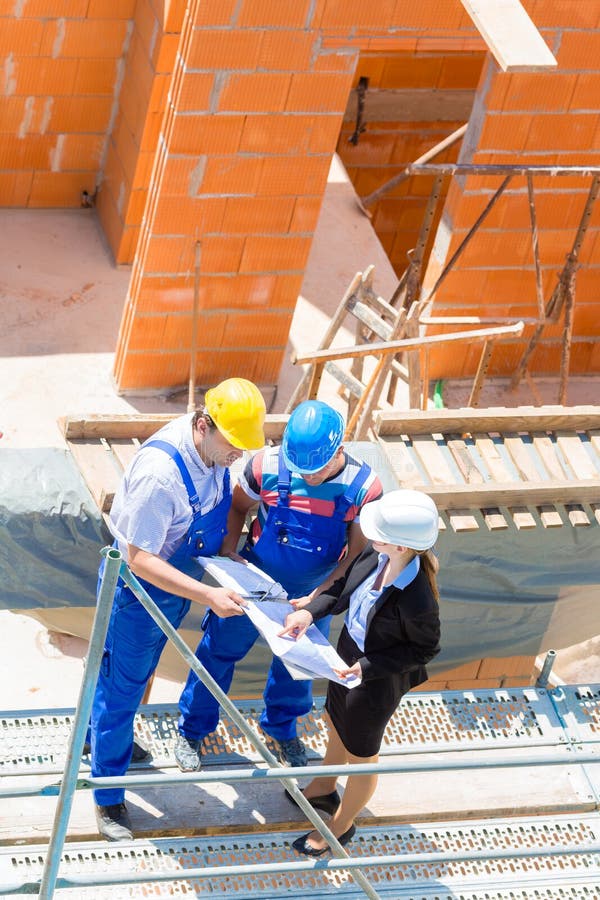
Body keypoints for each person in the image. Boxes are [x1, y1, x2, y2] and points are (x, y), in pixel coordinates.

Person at [90, 377, 266, 842]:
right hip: (139, 591)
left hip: (176, 582)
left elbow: (218, 505)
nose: (240, 456)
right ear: (204, 425)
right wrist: (207, 595)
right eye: (234, 445)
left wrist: (228, 553)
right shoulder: (159, 476)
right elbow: (139, 558)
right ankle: (107, 795)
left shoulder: (212, 451)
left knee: (141, 672)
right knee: (122, 684)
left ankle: (100, 740)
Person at [174, 400, 383, 771]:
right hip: (253, 584)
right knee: (217, 652)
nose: (307, 477)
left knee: (296, 669)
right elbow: (237, 507)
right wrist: (228, 554)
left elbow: (355, 556)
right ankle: (192, 728)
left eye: (315, 471)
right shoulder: (265, 466)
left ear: (340, 450)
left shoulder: (363, 488)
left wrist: (315, 602)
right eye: (300, 469)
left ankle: (282, 729)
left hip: (312, 592)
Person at [279, 488, 441, 856]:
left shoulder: (417, 598)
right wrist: (310, 611)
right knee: (335, 719)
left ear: (400, 547)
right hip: (348, 654)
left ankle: (340, 826)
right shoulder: (375, 552)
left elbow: (425, 649)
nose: (369, 532)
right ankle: (323, 786)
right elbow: (342, 587)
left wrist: (365, 669)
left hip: (376, 677)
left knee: (362, 754)